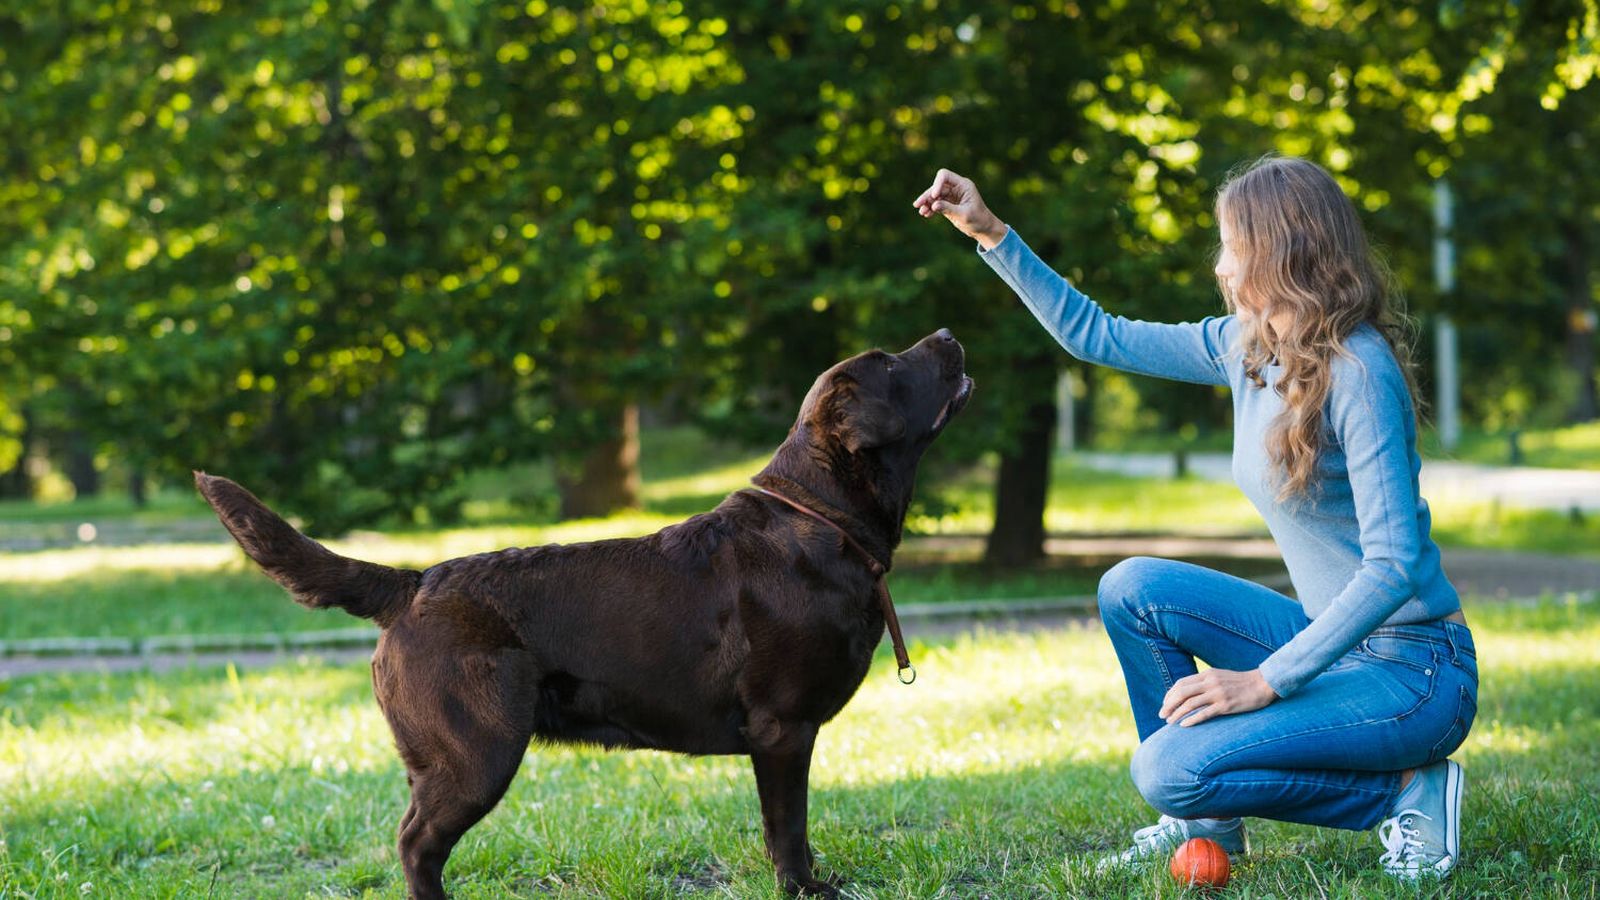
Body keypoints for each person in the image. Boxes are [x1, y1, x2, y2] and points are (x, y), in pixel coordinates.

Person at [913, 155, 1478, 880]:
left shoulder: (1360, 373)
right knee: (1133, 588)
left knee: (1166, 767)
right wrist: (990, 232)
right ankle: (1203, 821)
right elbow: (1098, 335)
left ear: (1281, 252)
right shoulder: (1246, 348)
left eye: (1232, 246)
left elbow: (1395, 566)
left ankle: (1409, 789)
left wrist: (1265, 680)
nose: (1220, 265)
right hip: (1333, 644)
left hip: (1416, 671)